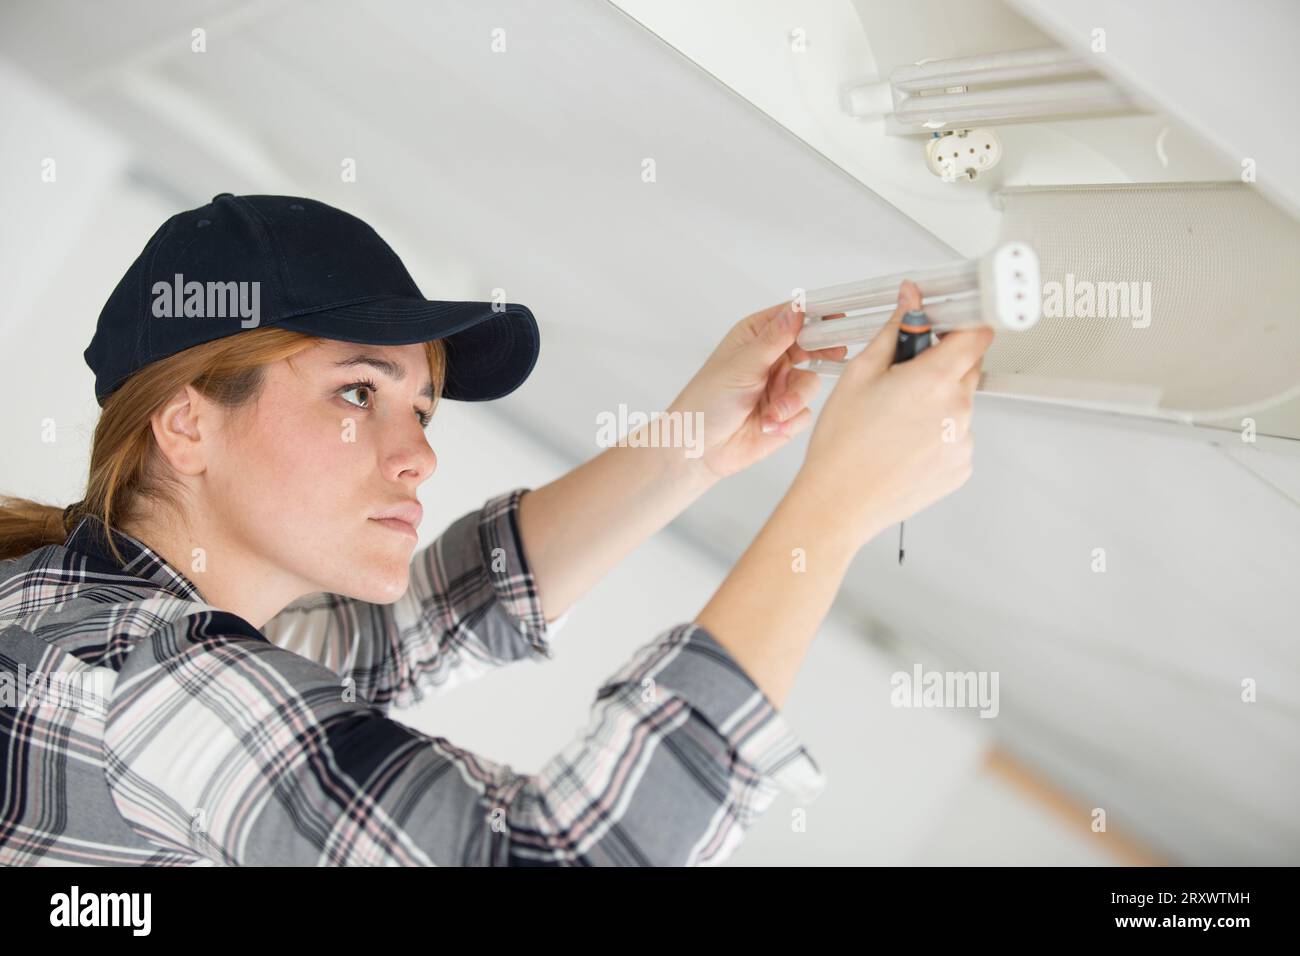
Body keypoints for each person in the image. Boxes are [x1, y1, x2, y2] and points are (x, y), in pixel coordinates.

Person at [0, 193, 991, 866]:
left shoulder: (80, 609)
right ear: (186, 422)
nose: (418, 455)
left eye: (422, 409)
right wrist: (834, 509)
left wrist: (694, 444)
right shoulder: (146, 681)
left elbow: (422, 625)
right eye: (358, 390)